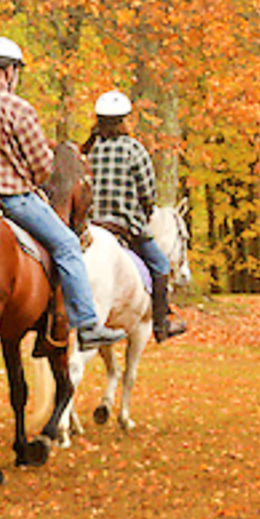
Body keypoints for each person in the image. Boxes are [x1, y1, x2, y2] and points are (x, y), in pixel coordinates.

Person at [0, 37, 125, 350]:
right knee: (66, 244)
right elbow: (42, 167)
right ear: (11, 71)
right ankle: (87, 324)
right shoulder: (17, 107)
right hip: (8, 199)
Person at [83, 90, 187, 343]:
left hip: (92, 225)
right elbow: (148, 194)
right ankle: (161, 325)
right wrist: (146, 211)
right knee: (161, 266)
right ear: (124, 120)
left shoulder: (88, 150)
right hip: (125, 226)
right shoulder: (134, 149)